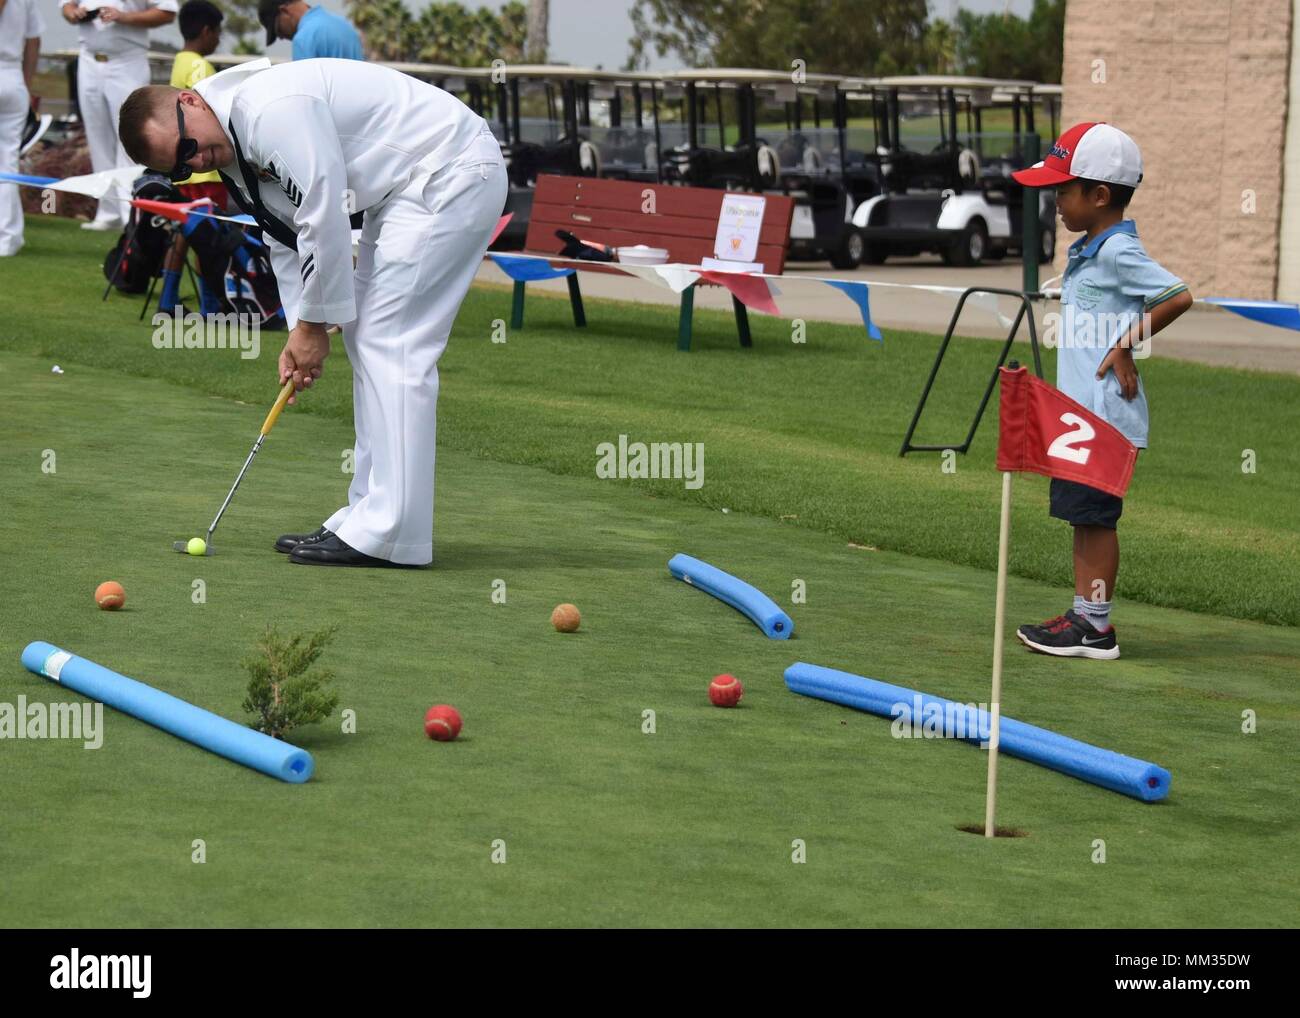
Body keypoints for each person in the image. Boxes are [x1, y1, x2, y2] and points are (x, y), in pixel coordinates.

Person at [116, 58, 507, 567]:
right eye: (181, 167)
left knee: (393, 343)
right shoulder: (230, 146)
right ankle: (368, 512)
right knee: (369, 338)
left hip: (450, 170)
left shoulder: (271, 112)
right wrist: (303, 330)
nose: (195, 161)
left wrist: (312, 328)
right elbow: (287, 235)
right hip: (409, 188)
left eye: (188, 147)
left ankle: (393, 533)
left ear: (189, 101)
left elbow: (323, 213)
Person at [1011, 122, 1192, 659]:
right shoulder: (1090, 249)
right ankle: (1085, 616)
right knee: (1082, 517)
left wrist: (1125, 345)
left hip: (1103, 415)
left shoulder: (1116, 251)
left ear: (1100, 195)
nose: (1057, 202)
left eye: (1063, 191)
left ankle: (1095, 627)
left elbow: (1176, 296)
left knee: (1095, 517)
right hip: (1078, 414)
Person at [62, 0, 178, 231]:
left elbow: (167, 12)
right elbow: (66, 5)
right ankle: (108, 211)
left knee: (129, 136)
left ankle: (130, 211)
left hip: (127, 61)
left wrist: (123, 17)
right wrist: (74, 13)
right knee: (97, 138)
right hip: (89, 60)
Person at [157, 0, 227, 316]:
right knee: (208, 236)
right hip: (206, 173)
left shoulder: (180, 62)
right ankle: (210, 304)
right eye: (218, 32)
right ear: (206, 30)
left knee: (184, 232)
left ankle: (167, 298)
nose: (219, 40)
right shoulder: (201, 67)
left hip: (186, 168)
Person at [0, 0, 44, 257]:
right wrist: (25, 84)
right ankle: (8, 236)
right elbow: (34, 41)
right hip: (13, 75)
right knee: (8, 161)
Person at [258, 1, 362, 61]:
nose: (281, 37)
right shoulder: (344, 24)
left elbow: (305, 93)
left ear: (284, 11)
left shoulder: (303, 39)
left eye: (278, 30)